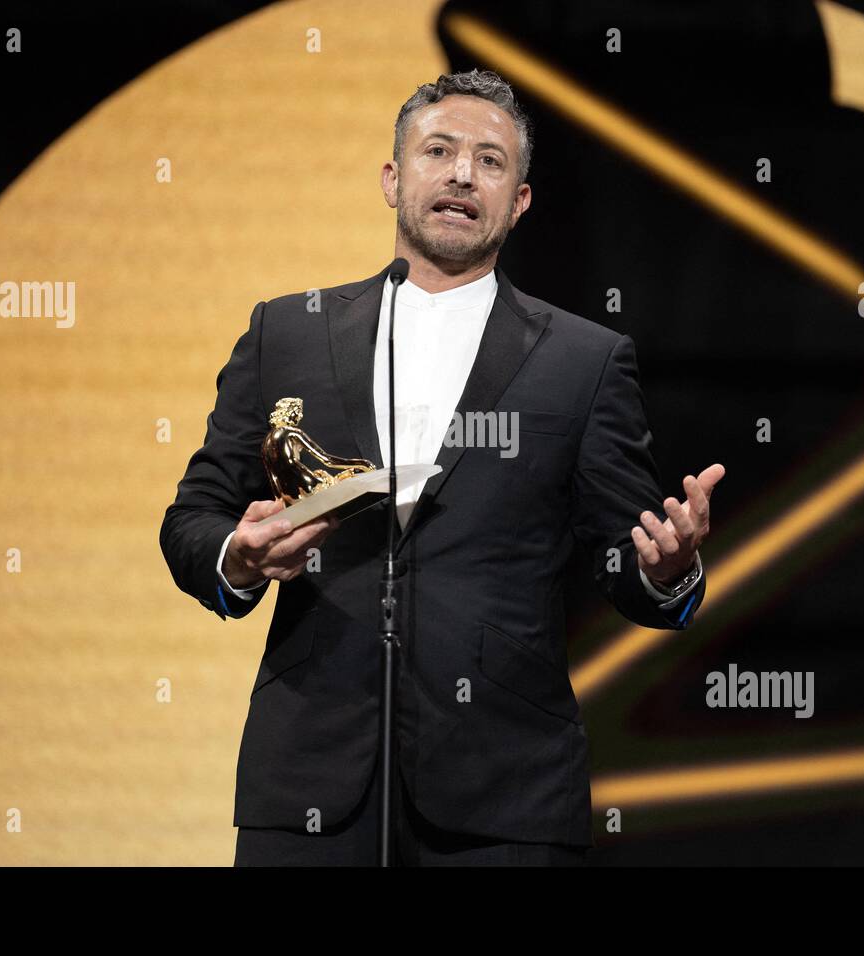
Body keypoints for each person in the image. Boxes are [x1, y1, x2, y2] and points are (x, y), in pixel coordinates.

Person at [159, 69, 722, 866]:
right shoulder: (286, 333)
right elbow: (192, 518)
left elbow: (622, 562)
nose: (463, 173)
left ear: (519, 202)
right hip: (311, 782)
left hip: (504, 798)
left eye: (491, 161)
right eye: (440, 151)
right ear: (393, 180)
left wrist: (667, 568)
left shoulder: (583, 362)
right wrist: (235, 556)